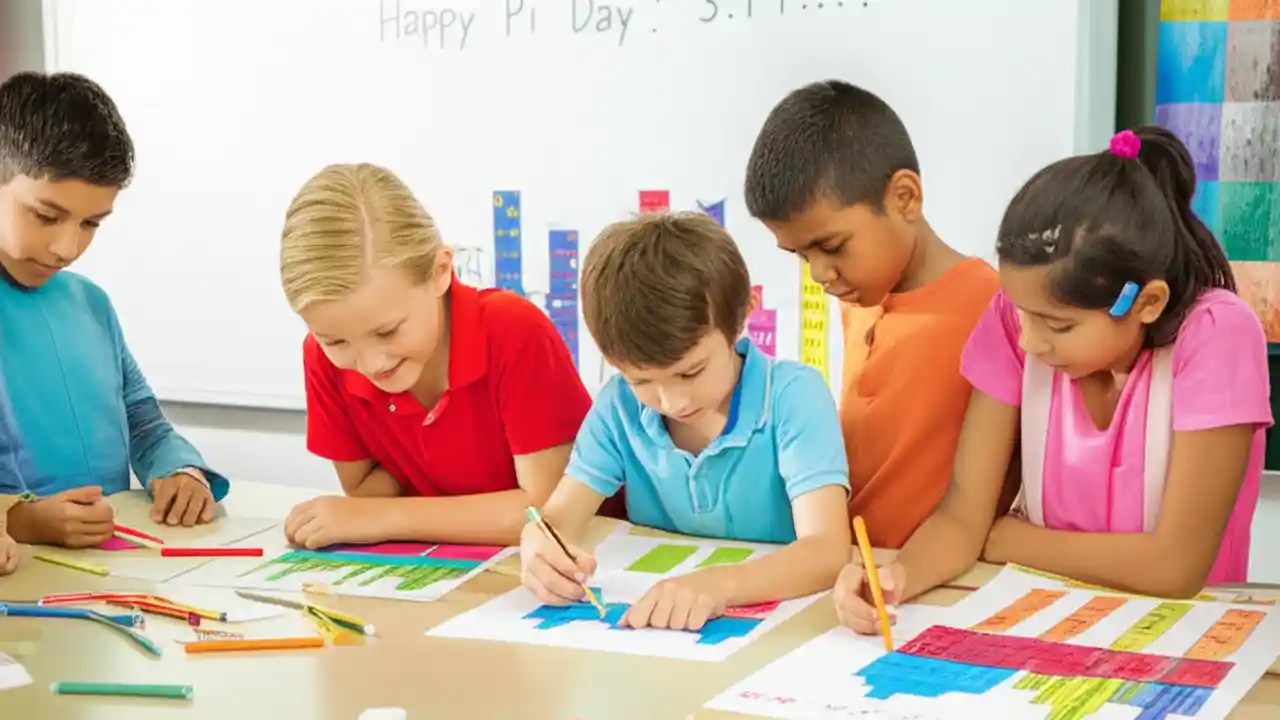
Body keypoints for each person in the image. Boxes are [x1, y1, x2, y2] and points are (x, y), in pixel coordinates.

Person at [835, 126, 1272, 634]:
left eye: (1058, 326)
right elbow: (962, 519)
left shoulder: (1217, 336)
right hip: (1046, 626)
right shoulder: (1014, 319)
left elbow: (1175, 567)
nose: (1029, 342)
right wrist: (896, 578)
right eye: (1021, 312)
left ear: (1145, 303)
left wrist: (1015, 540)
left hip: (1183, 636)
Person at [519, 211, 851, 632]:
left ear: (742, 317)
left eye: (691, 372)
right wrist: (538, 547)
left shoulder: (793, 396)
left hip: (782, 628)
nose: (672, 402)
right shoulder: (618, 405)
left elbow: (827, 551)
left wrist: (718, 586)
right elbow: (557, 520)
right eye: (641, 380)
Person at [744, 80, 1001, 549]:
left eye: (832, 247)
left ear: (904, 197)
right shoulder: (859, 302)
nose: (820, 274)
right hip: (845, 565)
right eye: (801, 256)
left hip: (932, 571)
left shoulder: (994, 308)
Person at [279, 163, 590, 548]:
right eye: (336, 342)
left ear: (440, 271)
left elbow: (546, 511)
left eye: (388, 331)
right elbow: (364, 491)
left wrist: (385, 517)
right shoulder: (321, 359)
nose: (371, 365)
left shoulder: (513, 331)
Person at [0, 71, 227, 548]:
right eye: (46, 216)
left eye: (91, 224)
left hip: (112, 563)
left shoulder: (90, 303)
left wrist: (179, 470)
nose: (66, 248)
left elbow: (142, 420)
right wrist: (21, 521)